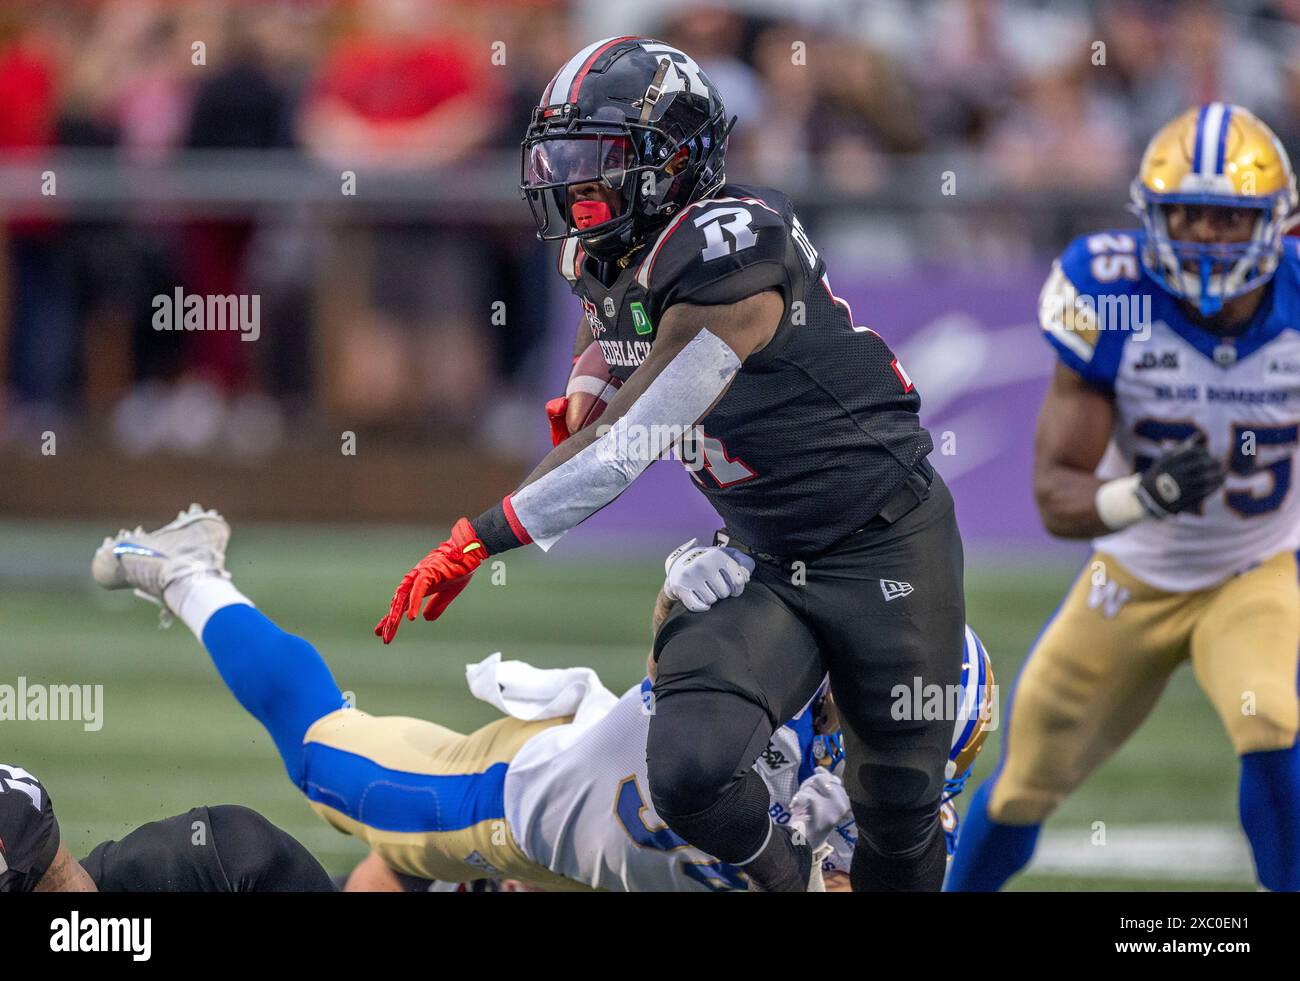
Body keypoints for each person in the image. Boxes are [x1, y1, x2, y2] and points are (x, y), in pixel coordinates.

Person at [374, 36, 966, 893]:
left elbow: (625, 445)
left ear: (675, 161)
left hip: (885, 543)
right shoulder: (606, 248)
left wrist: (480, 536)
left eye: (599, 158)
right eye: (563, 155)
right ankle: (792, 882)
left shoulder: (732, 253)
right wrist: (587, 376)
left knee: (898, 823)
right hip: (766, 554)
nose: (575, 182)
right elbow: (610, 313)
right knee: (688, 769)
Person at [948, 104, 1300, 892]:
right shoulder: (1110, 294)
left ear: (1277, 223)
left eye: (1230, 218)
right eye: (1187, 216)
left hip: (1257, 568)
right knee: (1023, 780)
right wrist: (1148, 493)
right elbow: (1055, 496)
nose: (1207, 237)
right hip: (1132, 574)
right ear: (1151, 216)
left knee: (1270, 715)